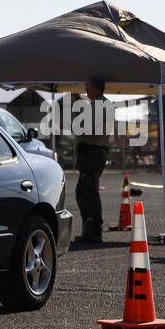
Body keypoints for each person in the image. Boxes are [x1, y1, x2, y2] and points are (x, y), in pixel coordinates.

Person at [72, 75, 111, 243]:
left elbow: (86, 130)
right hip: (95, 152)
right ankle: (92, 228)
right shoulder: (103, 104)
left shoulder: (98, 106)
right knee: (88, 190)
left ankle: (92, 228)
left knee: (85, 191)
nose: (86, 89)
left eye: (87, 86)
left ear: (95, 87)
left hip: (92, 153)